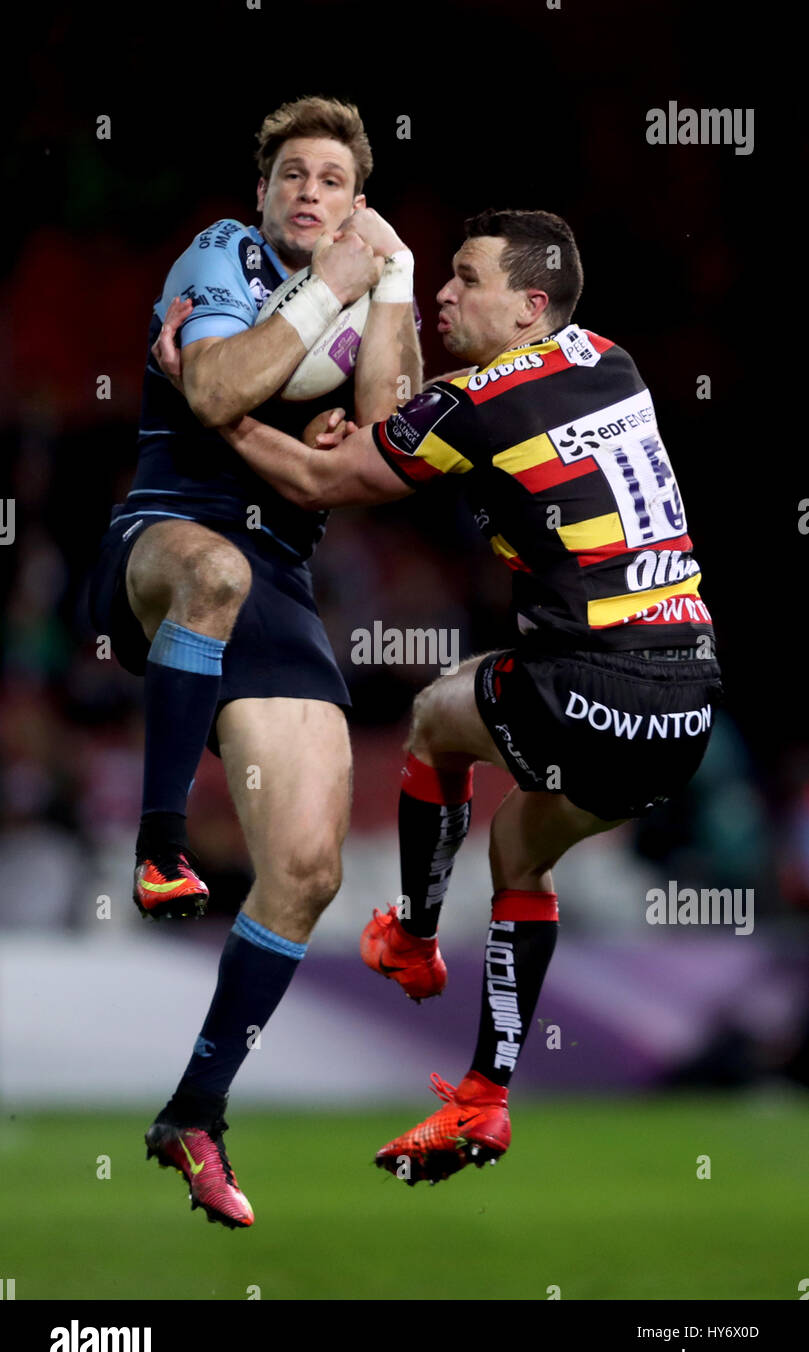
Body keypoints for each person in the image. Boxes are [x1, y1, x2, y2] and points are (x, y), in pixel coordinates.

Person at [196, 207, 724, 1186]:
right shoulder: (609, 360)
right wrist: (378, 428)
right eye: (439, 276)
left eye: (465, 279)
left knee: (437, 711)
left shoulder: (478, 401)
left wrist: (220, 412)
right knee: (519, 845)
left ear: (529, 305)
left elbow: (320, 480)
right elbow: (442, 439)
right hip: (687, 703)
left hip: (593, 682)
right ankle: (483, 1101)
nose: (442, 293)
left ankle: (412, 937)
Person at [88, 96, 421, 1227]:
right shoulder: (220, 254)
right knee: (214, 577)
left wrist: (395, 286)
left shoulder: (364, 279)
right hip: (165, 538)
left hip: (280, 576)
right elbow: (218, 386)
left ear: (357, 199)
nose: (308, 193)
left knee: (310, 869)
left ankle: (195, 1110)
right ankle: (158, 849)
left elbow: (386, 442)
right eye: (291, 174)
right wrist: (332, 286)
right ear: (265, 189)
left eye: (332, 178)